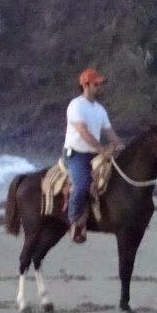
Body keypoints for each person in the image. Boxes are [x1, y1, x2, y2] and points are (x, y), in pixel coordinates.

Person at [63, 67, 124, 243]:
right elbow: (83, 131)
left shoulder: (100, 109)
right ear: (86, 85)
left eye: (100, 83)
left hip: (94, 154)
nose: (99, 86)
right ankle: (74, 221)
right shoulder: (76, 105)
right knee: (82, 185)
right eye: (96, 83)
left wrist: (120, 145)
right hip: (76, 155)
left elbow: (108, 131)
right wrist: (101, 149)